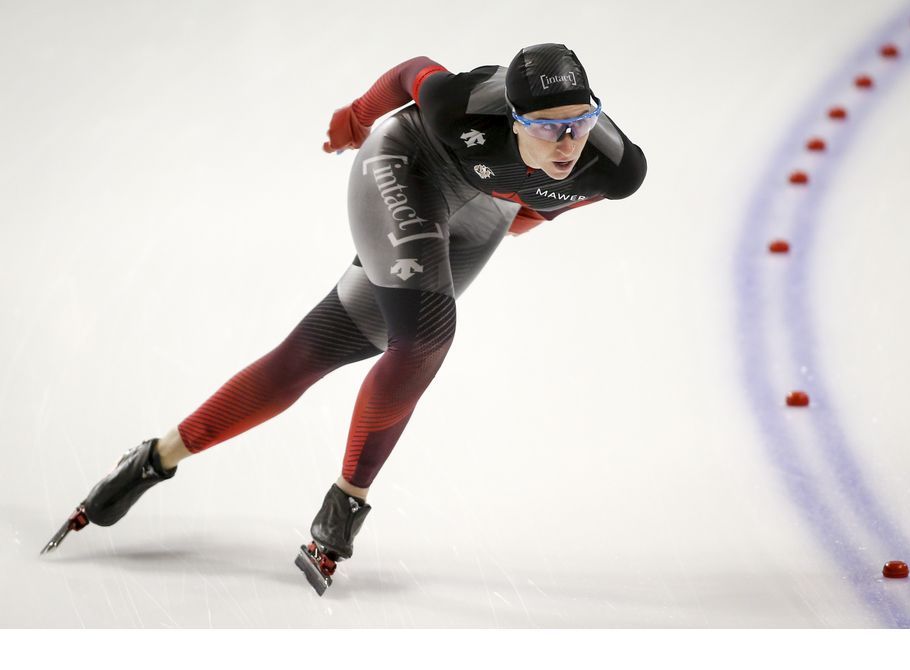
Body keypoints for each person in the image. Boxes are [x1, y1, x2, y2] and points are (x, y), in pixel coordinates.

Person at [40, 43, 647, 594]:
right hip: (408, 164)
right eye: (548, 128)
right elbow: (411, 71)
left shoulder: (618, 166)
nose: (568, 144)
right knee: (426, 336)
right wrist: (356, 121)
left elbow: (580, 191)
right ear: (512, 119)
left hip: (485, 205)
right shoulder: (459, 106)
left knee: (311, 354)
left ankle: (153, 457)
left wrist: (534, 213)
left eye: (580, 123)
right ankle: (343, 509)